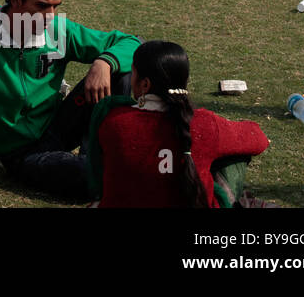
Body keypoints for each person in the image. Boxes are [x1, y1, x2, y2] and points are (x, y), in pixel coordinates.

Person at [0, 0, 138, 201]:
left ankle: (102, 156)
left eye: (55, 7)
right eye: (41, 6)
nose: (50, 17)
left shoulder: (58, 31)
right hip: (20, 154)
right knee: (89, 178)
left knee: (118, 69)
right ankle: (100, 168)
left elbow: (133, 42)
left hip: (58, 127)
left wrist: (104, 62)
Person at [88, 40, 269, 207]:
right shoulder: (203, 123)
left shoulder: (113, 119)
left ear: (144, 84)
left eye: (132, 72)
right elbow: (258, 139)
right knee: (232, 152)